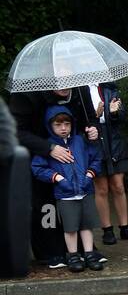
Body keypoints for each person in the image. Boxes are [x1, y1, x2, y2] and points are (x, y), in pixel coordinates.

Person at [30, 106, 106, 273]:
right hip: (65, 194)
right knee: (70, 227)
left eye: (66, 124)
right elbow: (38, 168)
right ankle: (72, 255)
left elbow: (96, 158)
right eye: (58, 125)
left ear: (72, 124)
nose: (63, 128)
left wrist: (89, 174)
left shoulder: (80, 141)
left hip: (85, 190)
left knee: (86, 225)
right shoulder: (48, 147)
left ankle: (89, 254)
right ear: (50, 126)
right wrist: (58, 178)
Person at [82, 82, 128, 247]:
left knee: (118, 186)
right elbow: (78, 121)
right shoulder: (80, 90)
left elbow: (122, 116)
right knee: (101, 188)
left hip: (114, 141)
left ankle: (125, 227)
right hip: (94, 142)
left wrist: (115, 112)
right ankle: (107, 229)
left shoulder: (110, 88)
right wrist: (94, 116)